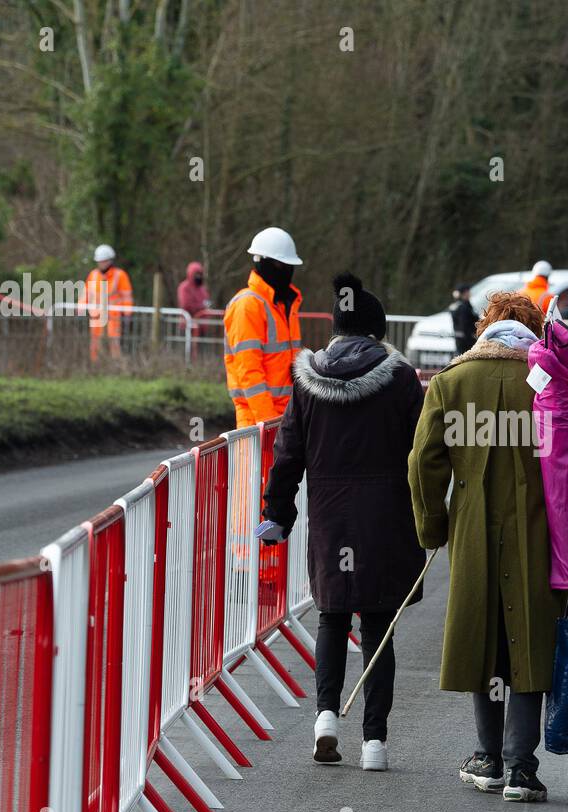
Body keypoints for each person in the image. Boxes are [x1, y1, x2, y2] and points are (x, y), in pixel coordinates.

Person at [409, 292, 568, 803]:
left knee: (483, 638)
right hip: (539, 536)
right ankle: (521, 767)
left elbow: (423, 462)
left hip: (471, 532)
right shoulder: (552, 382)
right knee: (532, 639)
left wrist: (434, 527)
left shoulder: (450, 383)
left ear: (485, 327)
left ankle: (488, 758)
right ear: (534, 329)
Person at [264, 271, 425, 771]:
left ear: (334, 327)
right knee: (378, 626)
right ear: (377, 331)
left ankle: (326, 718)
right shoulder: (399, 378)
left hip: (330, 516)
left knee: (332, 617)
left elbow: (288, 451)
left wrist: (278, 513)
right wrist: (435, 509)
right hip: (386, 517)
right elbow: (423, 449)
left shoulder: (307, 379)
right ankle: (374, 743)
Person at [222, 227, 304, 427]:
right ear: (264, 263)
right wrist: (268, 424)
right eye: (281, 265)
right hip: (257, 422)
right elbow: (249, 373)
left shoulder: (286, 305)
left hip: (287, 416)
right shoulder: (247, 306)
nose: (286, 272)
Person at [82, 244, 133, 361]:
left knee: (113, 341)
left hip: (113, 316)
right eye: (99, 261)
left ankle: (114, 367)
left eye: (103, 261)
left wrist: (127, 313)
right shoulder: (93, 275)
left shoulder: (120, 275)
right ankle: (96, 366)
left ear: (110, 261)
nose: (101, 264)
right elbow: (86, 293)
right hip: (96, 315)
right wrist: (80, 307)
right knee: (95, 342)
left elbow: (127, 296)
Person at [177, 261, 213, 357]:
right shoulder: (184, 287)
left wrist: (205, 308)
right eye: (196, 274)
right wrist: (201, 307)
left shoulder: (202, 289)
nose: (199, 277)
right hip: (187, 325)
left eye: (200, 274)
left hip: (201, 326)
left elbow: (207, 303)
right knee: (185, 353)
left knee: (201, 353)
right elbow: (186, 304)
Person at [448, 283, 478, 354]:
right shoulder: (464, 307)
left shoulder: (457, 305)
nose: (469, 293)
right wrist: (472, 337)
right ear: (464, 293)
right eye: (468, 291)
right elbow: (465, 324)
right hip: (466, 341)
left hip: (460, 340)